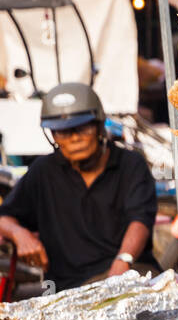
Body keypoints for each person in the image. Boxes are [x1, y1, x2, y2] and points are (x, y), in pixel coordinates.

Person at [0, 82, 158, 291]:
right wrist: (20, 235)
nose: (74, 138)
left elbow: (140, 219)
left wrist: (124, 260)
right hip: (67, 287)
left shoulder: (130, 164)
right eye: (63, 132)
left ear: (100, 126)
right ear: (53, 137)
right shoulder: (43, 171)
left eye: (82, 128)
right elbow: (5, 217)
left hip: (129, 272)